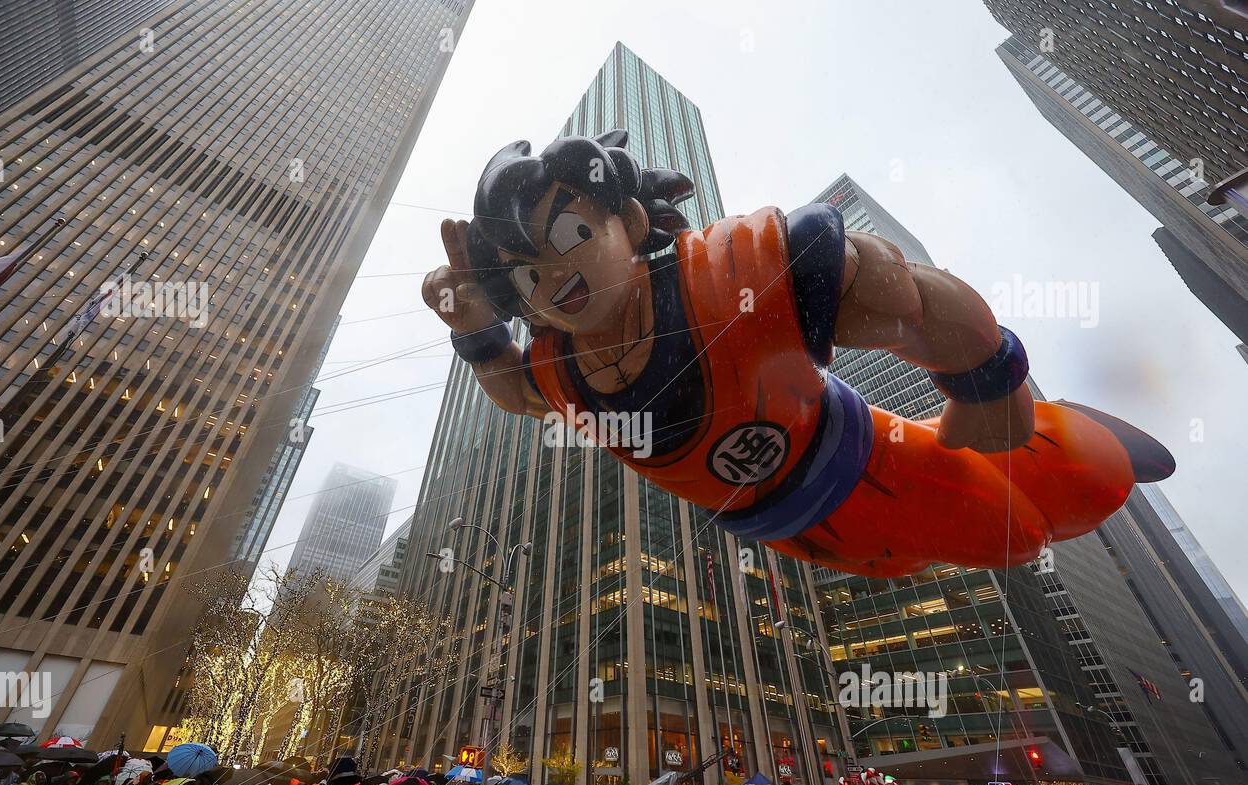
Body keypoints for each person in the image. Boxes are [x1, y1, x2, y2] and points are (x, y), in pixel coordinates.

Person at [423, 132, 1175, 584]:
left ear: (625, 220)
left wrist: (988, 376)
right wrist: (477, 330)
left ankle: (1074, 436)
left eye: (569, 240)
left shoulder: (721, 274)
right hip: (788, 527)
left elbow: (895, 292)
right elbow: (516, 394)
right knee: (963, 547)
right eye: (527, 275)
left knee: (1018, 529)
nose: (557, 281)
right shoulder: (558, 366)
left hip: (870, 464)